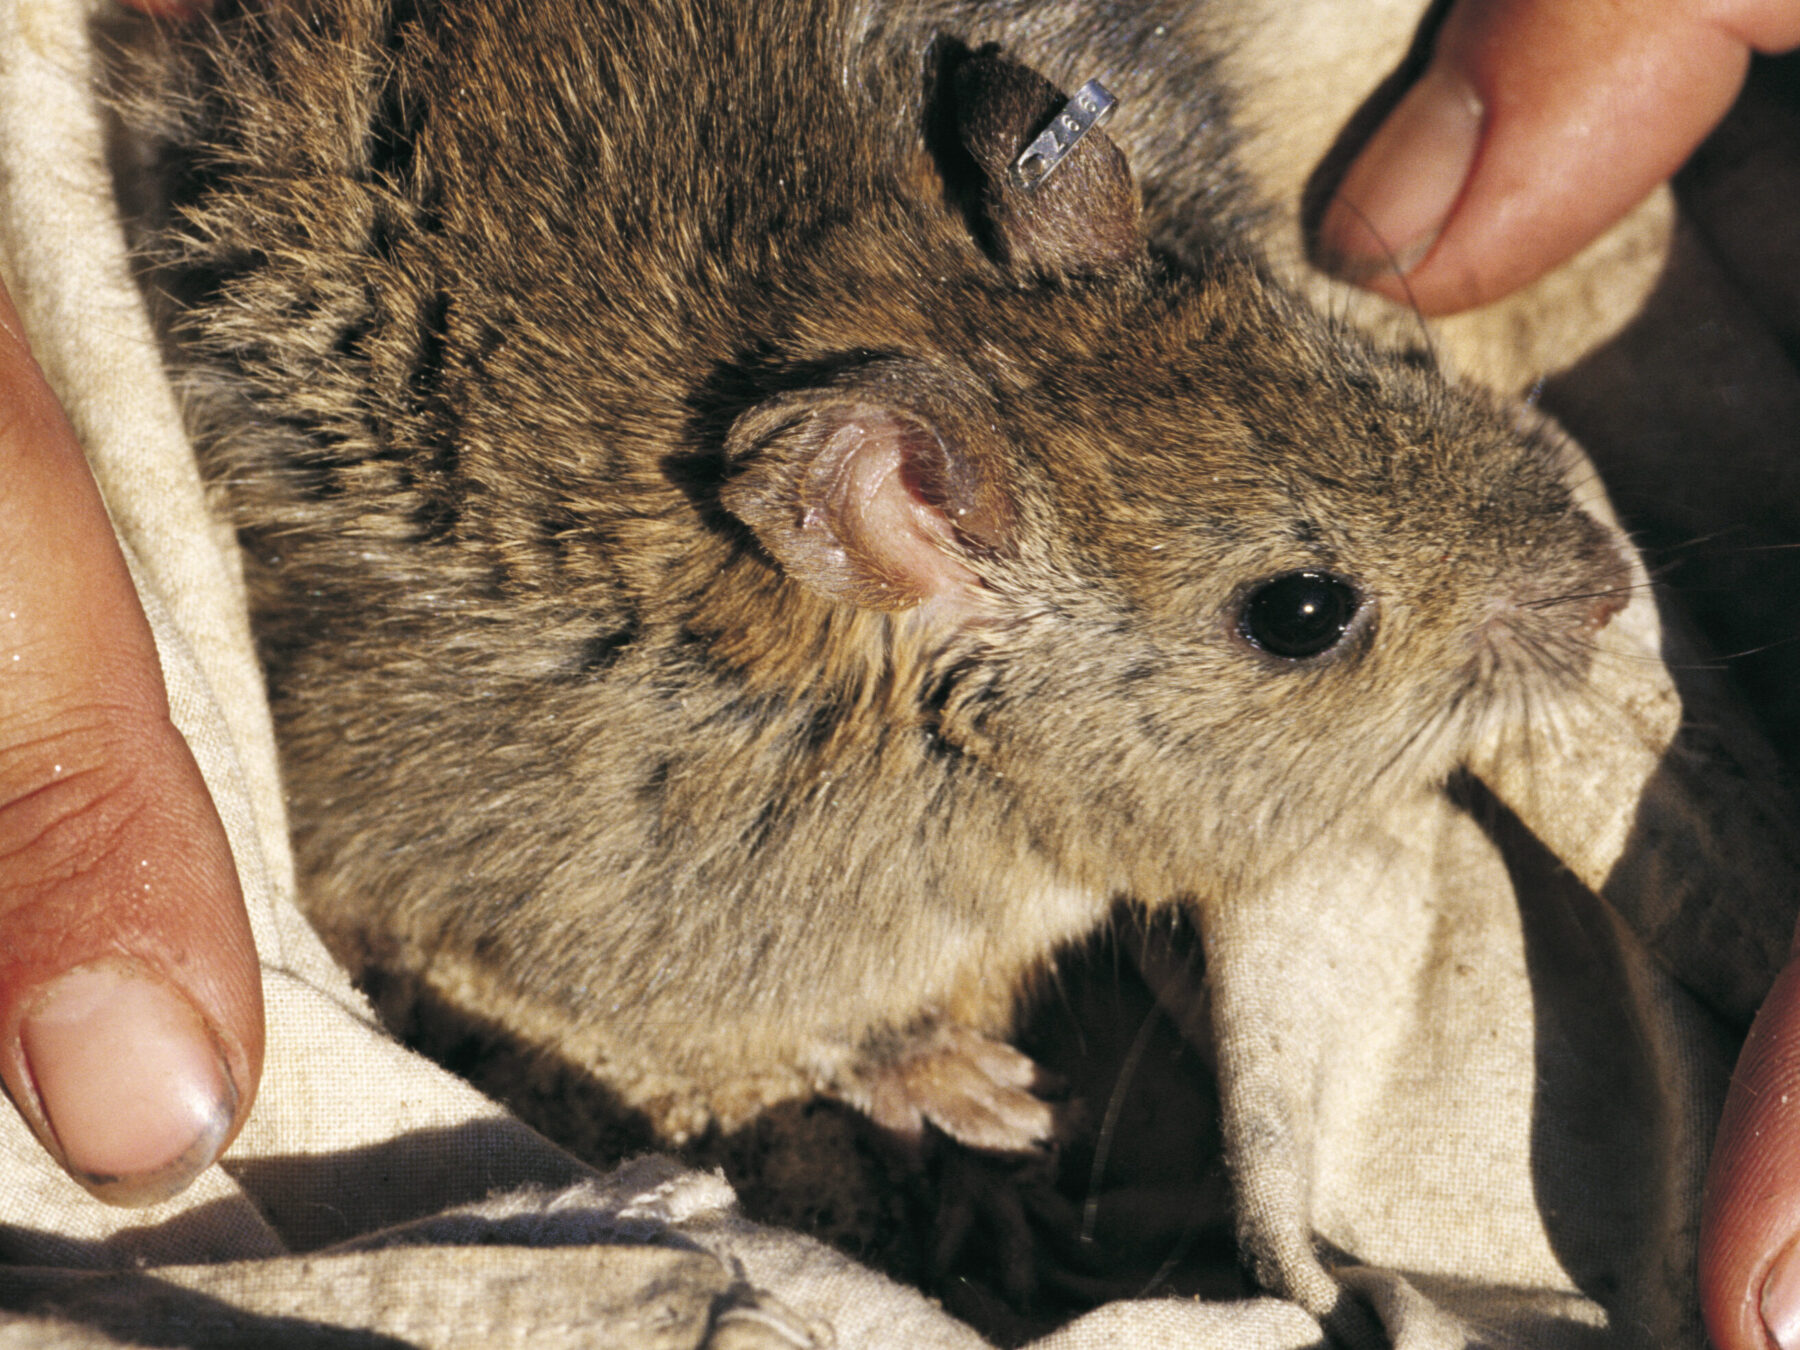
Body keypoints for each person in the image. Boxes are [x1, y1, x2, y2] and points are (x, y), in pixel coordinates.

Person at [0, 0, 1793, 1343]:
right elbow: (401, 838)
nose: (1585, 587)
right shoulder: (687, 794)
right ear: (909, 535)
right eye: (1303, 614)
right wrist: (864, 1038)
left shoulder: (1076, 248)